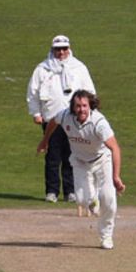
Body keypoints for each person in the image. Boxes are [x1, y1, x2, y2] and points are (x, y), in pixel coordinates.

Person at [38, 90, 125, 250]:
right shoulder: (65, 116)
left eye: (84, 106)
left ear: (90, 106)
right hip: (80, 162)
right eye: (78, 106)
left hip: (102, 160)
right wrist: (45, 141)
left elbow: (115, 148)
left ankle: (106, 236)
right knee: (82, 200)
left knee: (109, 200)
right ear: (73, 107)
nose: (81, 110)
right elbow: (52, 123)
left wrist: (116, 176)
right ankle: (93, 199)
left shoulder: (99, 123)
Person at [26, 34, 96, 203]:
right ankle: (52, 191)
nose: (61, 52)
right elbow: (33, 93)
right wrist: (36, 113)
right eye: (58, 49)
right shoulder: (42, 69)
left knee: (71, 156)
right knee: (53, 156)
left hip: (74, 119)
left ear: (69, 49)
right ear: (53, 50)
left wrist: (88, 113)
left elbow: (90, 92)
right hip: (51, 118)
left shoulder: (79, 67)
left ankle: (70, 191)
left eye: (64, 49)